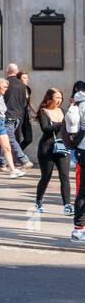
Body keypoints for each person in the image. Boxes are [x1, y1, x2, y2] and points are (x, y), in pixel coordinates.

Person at [33, 88, 73, 215]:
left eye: (60, 98)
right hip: (47, 147)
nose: (59, 100)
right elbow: (46, 129)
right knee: (46, 176)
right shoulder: (43, 111)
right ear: (49, 98)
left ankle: (67, 205)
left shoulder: (62, 110)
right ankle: (38, 201)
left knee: (65, 176)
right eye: (56, 97)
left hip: (62, 146)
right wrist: (61, 124)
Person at [0, 63, 33, 176]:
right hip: (18, 116)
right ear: (16, 72)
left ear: (7, 71)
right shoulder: (23, 86)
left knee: (9, 138)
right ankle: (1, 162)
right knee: (5, 137)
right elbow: (24, 102)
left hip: (8, 114)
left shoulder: (5, 83)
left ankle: (24, 159)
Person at [63, 82, 85, 242]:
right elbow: (72, 128)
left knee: (83, 192)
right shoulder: (79, 105)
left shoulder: (78, 104)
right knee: (83, 192)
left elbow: (72, 129)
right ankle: (78, 229)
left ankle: (78, 229)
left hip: (82, 151)